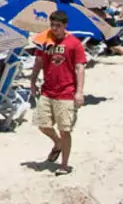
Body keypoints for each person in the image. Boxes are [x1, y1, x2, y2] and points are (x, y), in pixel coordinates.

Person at [29, 10, 86, 175]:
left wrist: (79, 92)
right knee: (43, 124)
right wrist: (32, 81)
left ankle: (64, 164)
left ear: (65, 26)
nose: (55, 29)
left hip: (66, 92)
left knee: (65, 129)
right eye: (52, 25)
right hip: (48, 90)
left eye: (58, 26)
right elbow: (38, 62)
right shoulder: (45, 41)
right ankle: (58, 143)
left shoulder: (74, 44)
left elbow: (79, 67)